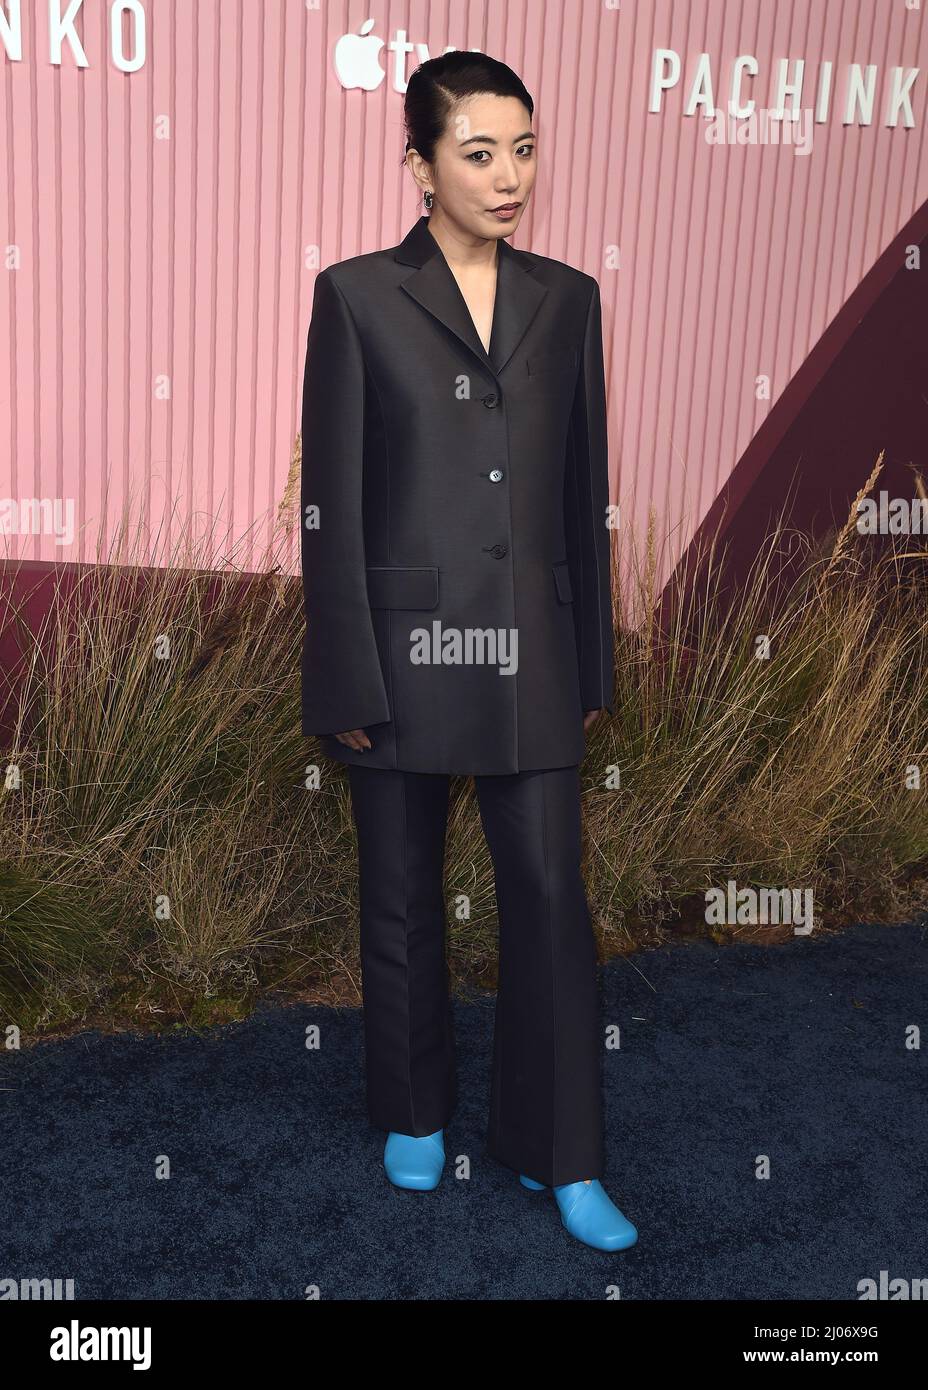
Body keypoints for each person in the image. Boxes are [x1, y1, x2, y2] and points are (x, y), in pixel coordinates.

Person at [300, 50, 637, 1254]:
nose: (510, 176)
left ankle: (562, 1156)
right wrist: (342, 672)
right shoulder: (354, 297)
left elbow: (580, 493)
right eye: (479, 152)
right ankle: (412, 1111)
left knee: (551, 900)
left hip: (534, 651)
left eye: (525, 148)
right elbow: (330, 499)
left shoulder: (571, 297)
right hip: (398, 649)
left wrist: (590, 659)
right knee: (397, 899)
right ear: (419, 165)